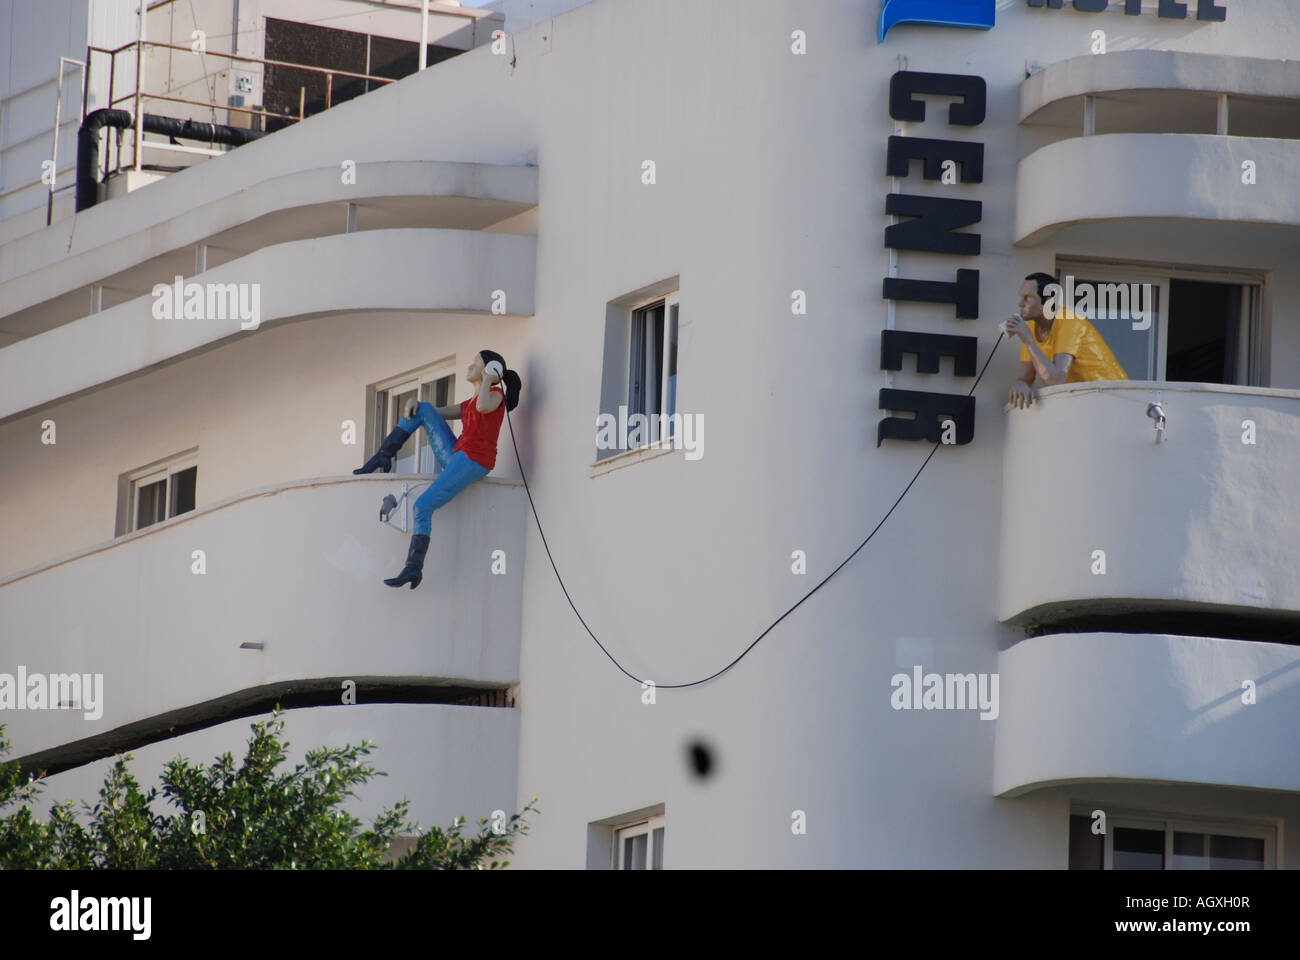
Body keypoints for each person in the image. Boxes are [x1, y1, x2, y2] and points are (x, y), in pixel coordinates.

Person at [354, 350, 522, 589]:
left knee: (422, 506)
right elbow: (436, 413)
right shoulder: (469, 403)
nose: (470, 367)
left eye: (476, 364)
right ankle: (383, 456)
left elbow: (484, 407)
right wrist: (418, 405)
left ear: (491, 371)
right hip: (457, 455)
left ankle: (414, 567)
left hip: (474, 460)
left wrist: (488, 379)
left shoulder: (495, 396)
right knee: (422, 410)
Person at [1004, 272, 1127, 410]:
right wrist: (1020, 383)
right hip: (1088, 403)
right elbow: (1025, 377)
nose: (1020, 304)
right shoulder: (1031, 328)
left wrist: (1028, 340)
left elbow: (1056, 381)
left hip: (1116, 400)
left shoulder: (1069, 321)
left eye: (1028, 298)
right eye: (1021, 297)